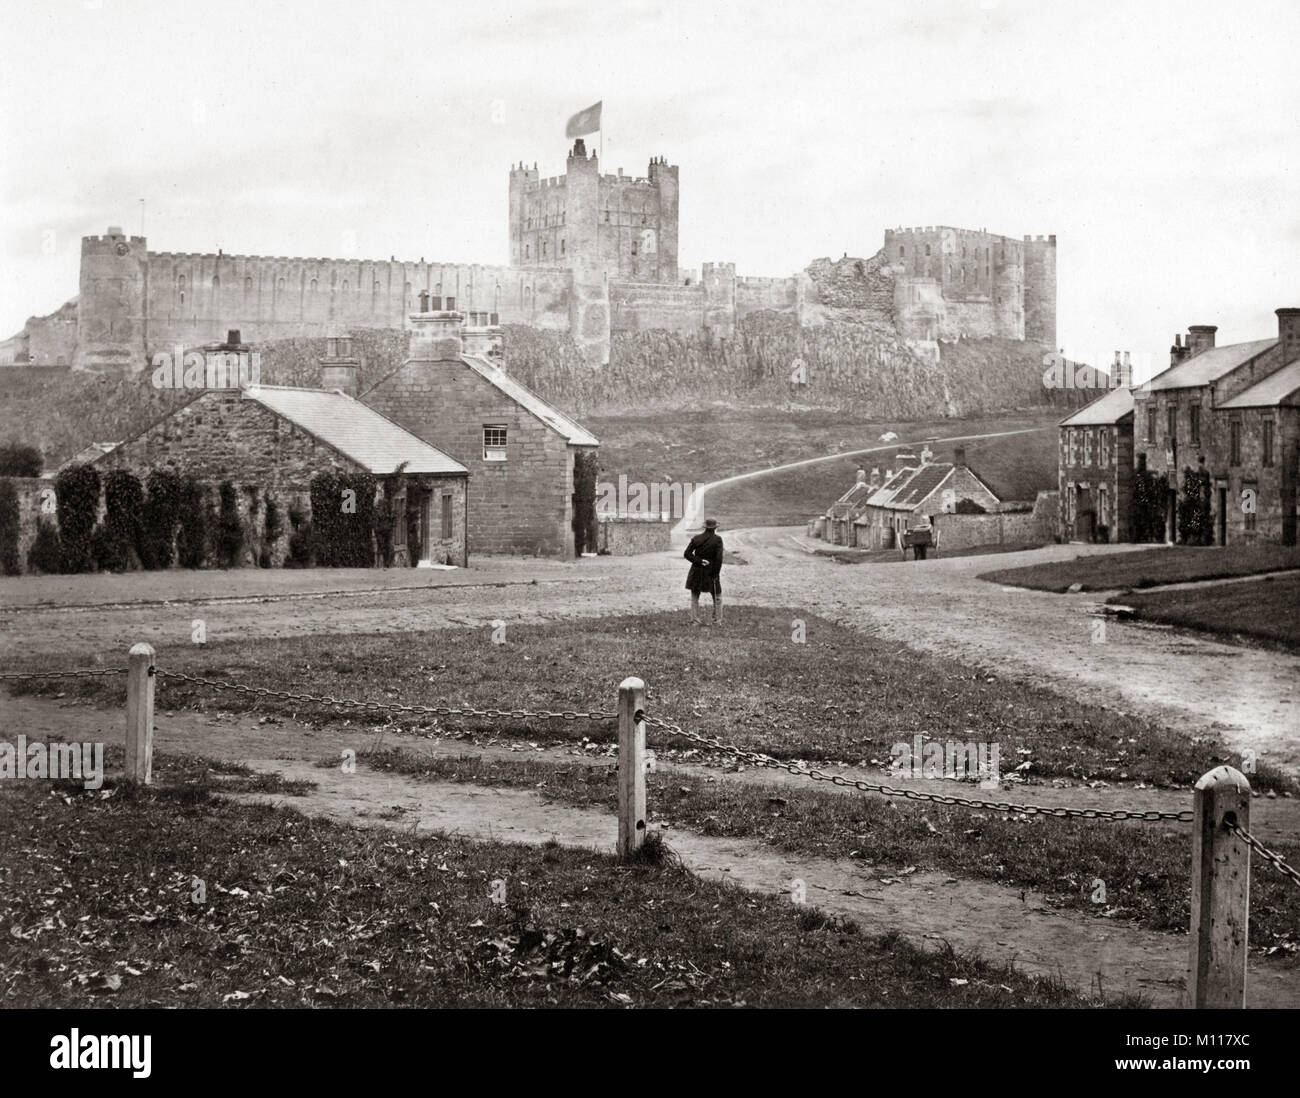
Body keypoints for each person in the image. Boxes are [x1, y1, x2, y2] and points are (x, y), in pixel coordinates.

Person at [684, 518, 724, 625]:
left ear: (705, 527)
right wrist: (715, 574)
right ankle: (717, 621)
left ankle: (695, 620)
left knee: (695, 596)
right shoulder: (718, 540)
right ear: (715, 528)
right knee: (717, 596)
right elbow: (719, 559)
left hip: (697, 570)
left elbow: (687, 554)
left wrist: (699, 561)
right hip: (711, 572)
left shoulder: (697, 538)